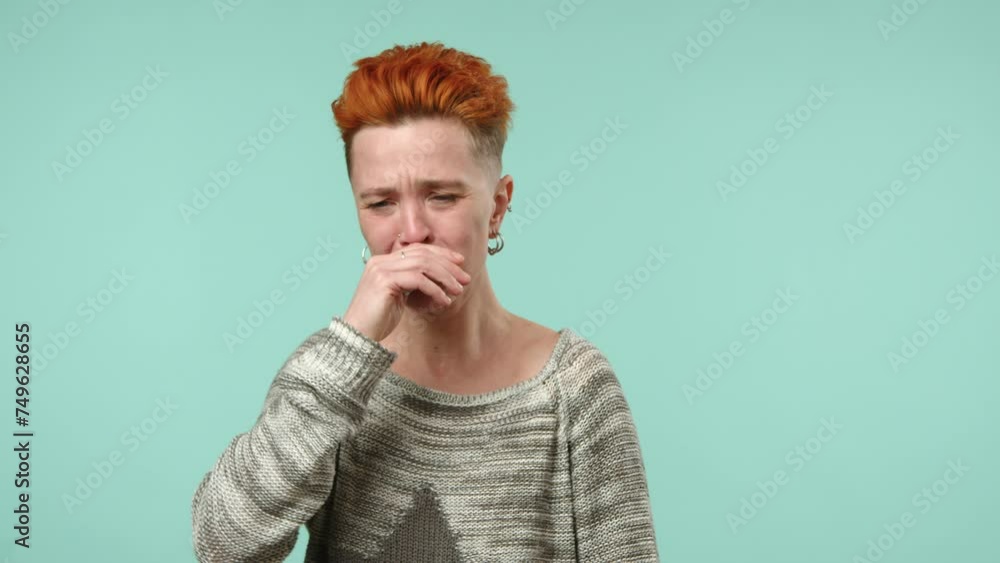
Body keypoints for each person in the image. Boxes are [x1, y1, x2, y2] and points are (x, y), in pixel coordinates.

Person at [191, 41, 659, 562]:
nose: (412, 233)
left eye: (443, 197)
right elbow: (223, 547)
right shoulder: (330, 375)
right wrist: (349, 350)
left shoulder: (573, 388)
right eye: (381, 203)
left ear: (498, 206)